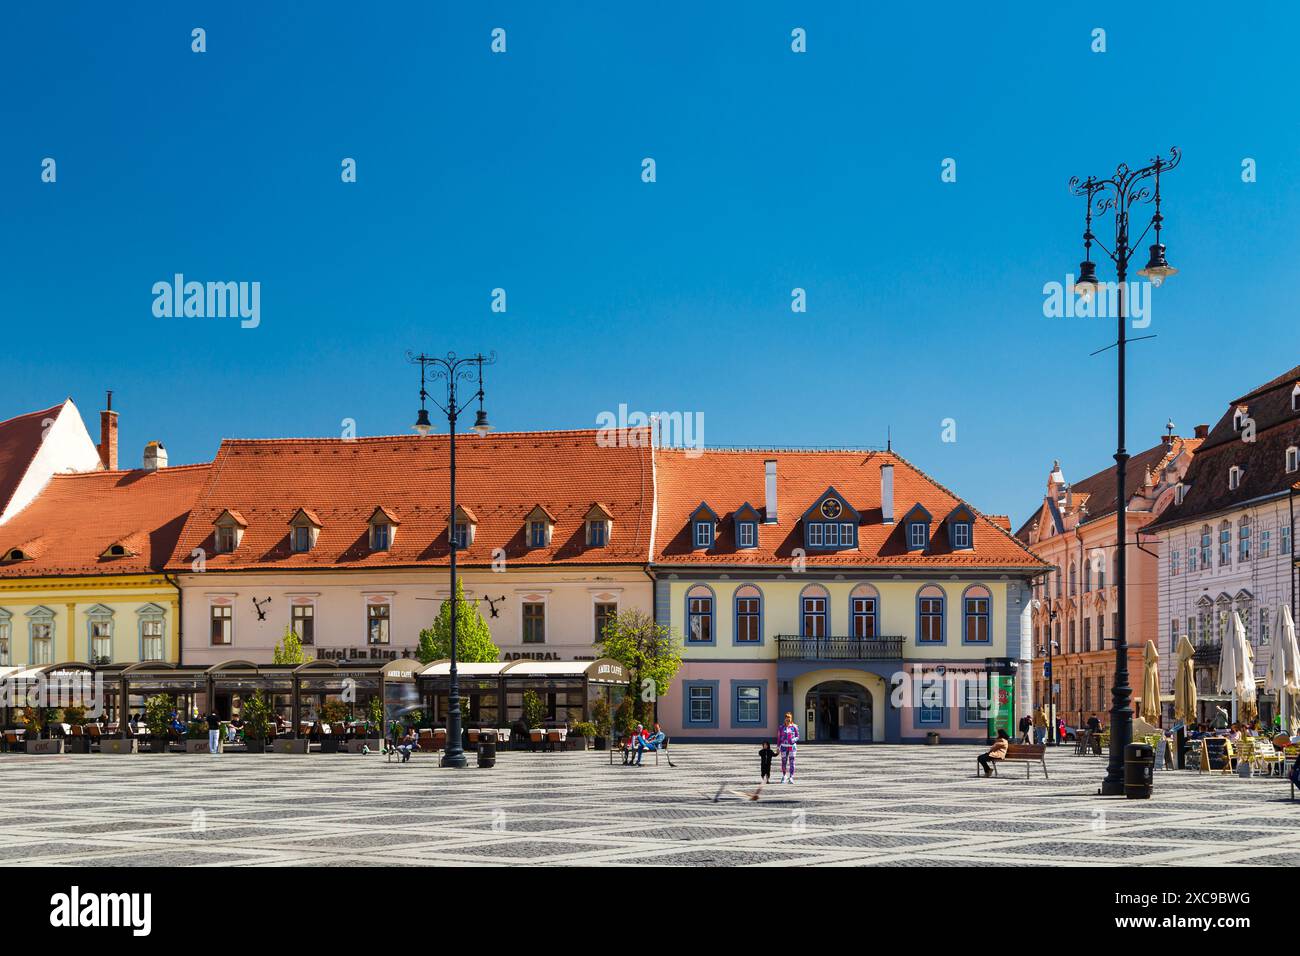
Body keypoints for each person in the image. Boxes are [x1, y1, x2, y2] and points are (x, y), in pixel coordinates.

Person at [777, 712, 799, 783]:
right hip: (783, 746)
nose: (788, 720)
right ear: (785, 719)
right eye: (786, 719)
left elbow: (797, 736)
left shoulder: (794, 727)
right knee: (784, 762)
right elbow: (779, 738)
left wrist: (793, 740)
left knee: (792, 762)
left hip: (792, 747)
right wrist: (778, 747)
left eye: (789, 719)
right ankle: (784, 776)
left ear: (791, 719)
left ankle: (791, 777)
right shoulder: (781, 728)